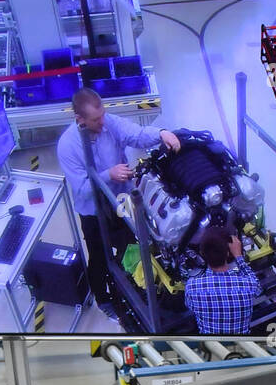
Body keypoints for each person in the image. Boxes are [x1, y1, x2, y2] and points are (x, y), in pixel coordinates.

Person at [57, 87, 182, 313]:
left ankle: (136, 287)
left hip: (122, 202)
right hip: (94, 211)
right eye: (95, 119)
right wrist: (108, 174)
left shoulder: (109, 123)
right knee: (99, 257)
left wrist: (161, 133)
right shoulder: (67, 146)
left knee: (132, 246)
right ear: (79, 119)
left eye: (103, 114)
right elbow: (83, 188)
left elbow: (136, 134)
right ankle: (103, 300)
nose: (102, 122)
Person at [183, 229, 261, 336]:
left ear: (202, 254)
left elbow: (189, 306)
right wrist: (239, 256)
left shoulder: (192, 287)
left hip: (211, 347)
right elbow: (257, 287)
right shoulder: (249, 285)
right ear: (228, 253)